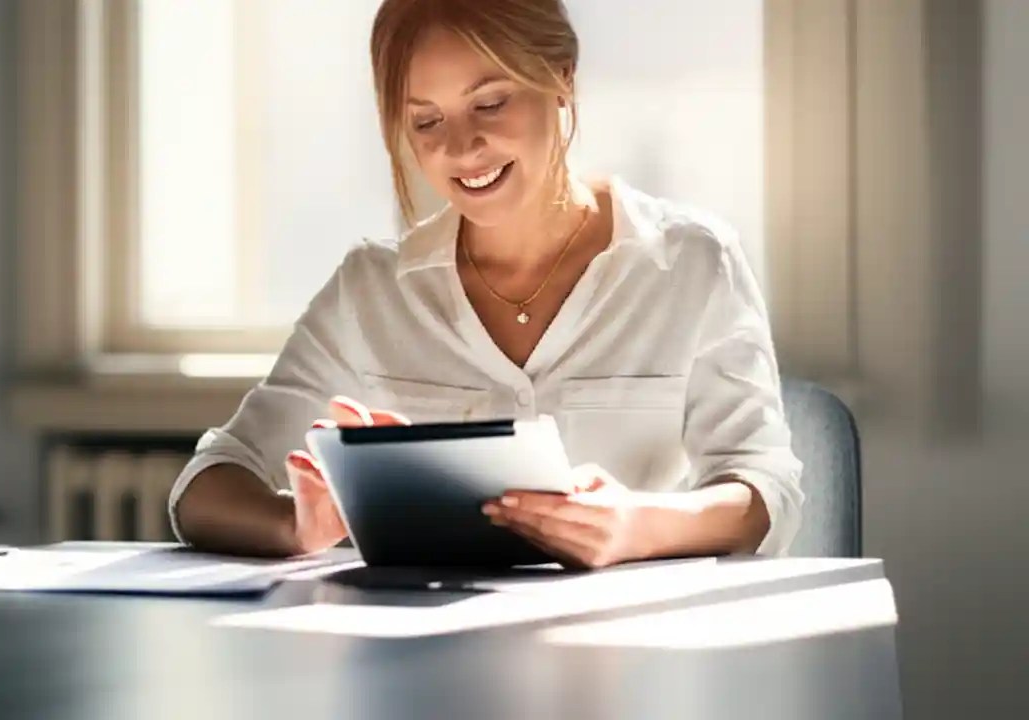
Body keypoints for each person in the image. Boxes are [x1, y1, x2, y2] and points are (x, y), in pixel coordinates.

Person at [168, 0, 803, 569]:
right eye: (426, 122)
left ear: (561, 79)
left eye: (490, 103)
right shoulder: (372, 290)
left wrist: (638, 526)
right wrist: (294, 526)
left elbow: (763, 488)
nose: (462, 146)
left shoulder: (691, 261)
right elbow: (206, 484)